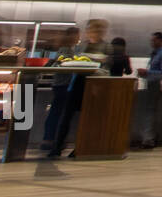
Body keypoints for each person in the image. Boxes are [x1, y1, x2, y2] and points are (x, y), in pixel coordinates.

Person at [48, 19, 110, 159]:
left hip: (94, 85)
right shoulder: (82, 46)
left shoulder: (105, 47)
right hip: (77, 83)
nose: (91, 32)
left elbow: (106, 67)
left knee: (86, 118)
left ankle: (80, 147)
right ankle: (57, 147)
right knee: (66, 116)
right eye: (90, 30)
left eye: (95, 30)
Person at [41, 25, 80, 147]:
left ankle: (50, 138)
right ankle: (50, 139)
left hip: (60, 84)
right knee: (58, 112)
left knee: (56, 111)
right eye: (77, 35)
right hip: (63, 84)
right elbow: (65, 65)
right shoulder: (66, 50)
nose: (78, 38)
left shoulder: (64, 49)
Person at [135, 32, 162, 149]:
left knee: (150, 111)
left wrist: (147, 73)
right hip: (150, 83)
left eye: (154, 40)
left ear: (161, 41)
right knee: (148, 111)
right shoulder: (155, 54)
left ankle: (148, 139)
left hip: (155, 85)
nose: (152, 42)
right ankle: (146, 137)